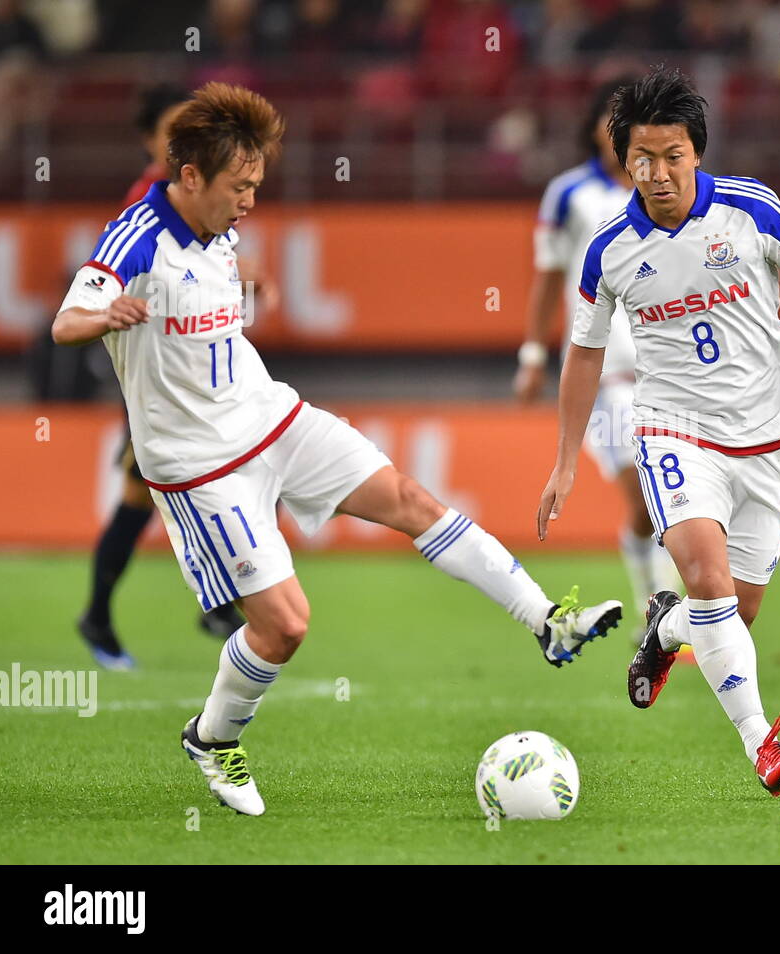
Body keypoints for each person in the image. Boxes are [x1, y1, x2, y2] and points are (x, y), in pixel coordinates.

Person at [54, 82, 622, 816]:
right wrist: (107, 312)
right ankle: (212, 736)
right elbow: (67, 319)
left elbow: (215, 310)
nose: (250, 200)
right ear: (189, 176)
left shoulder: (221, 229)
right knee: (284, 626)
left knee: (413, 501)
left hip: (272, 418)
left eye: (257, 184)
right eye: (240, 185)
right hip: (200, 467)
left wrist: (245, 288)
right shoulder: (135, 236)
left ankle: (547, 621)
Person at [537, 68, 780, 796]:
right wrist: (565, 460)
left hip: (769, 437)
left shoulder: (751, 209)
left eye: (672, 155)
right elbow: (585, 352)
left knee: (734, 614)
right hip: (675, 432)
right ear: (625, 162)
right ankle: (762, 746)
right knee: (709, 584)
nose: (658, 173)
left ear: (696, 153)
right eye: (642, 159)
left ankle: (664, 631)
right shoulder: (610, 247)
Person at [77, 83, 247, 672]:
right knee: (153, 488)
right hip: (155, 380)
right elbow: (110, 286)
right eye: (173, 130)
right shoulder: (146, 202)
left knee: (160, 489)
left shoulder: (204, 193)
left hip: (190, 374)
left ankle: (209, 604)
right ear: (151, 140)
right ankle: (211, 604)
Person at [515, 75, 681, 643]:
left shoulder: (668, 190)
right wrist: (534, 353)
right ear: (594, 128)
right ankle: (657, 608)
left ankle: (673, 613)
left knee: (677, 496)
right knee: (642, 489)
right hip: (606, 376)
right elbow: (547, 279)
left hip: (672, 374)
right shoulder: (568, 195)